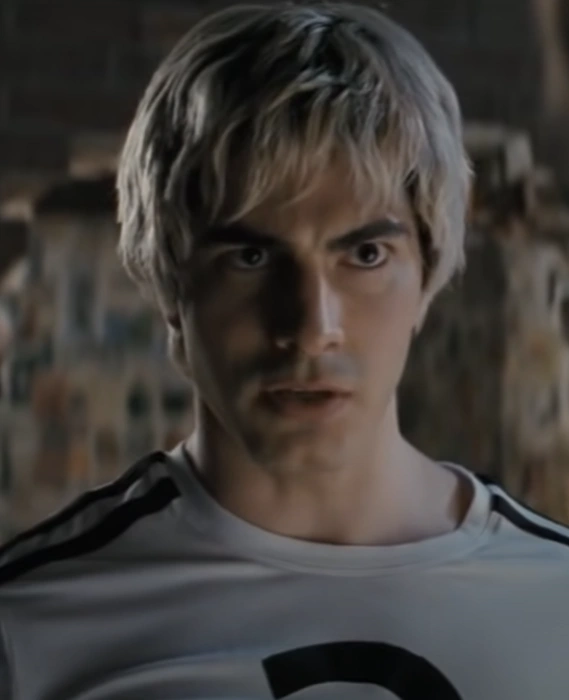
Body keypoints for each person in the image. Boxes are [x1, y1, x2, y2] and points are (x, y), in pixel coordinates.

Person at [1, 3, 568, 698]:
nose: (311, 326)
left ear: (426, 277)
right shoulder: (32, 628)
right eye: (251, 257)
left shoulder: (556, 604)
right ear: (171, 286)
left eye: (365, 254)